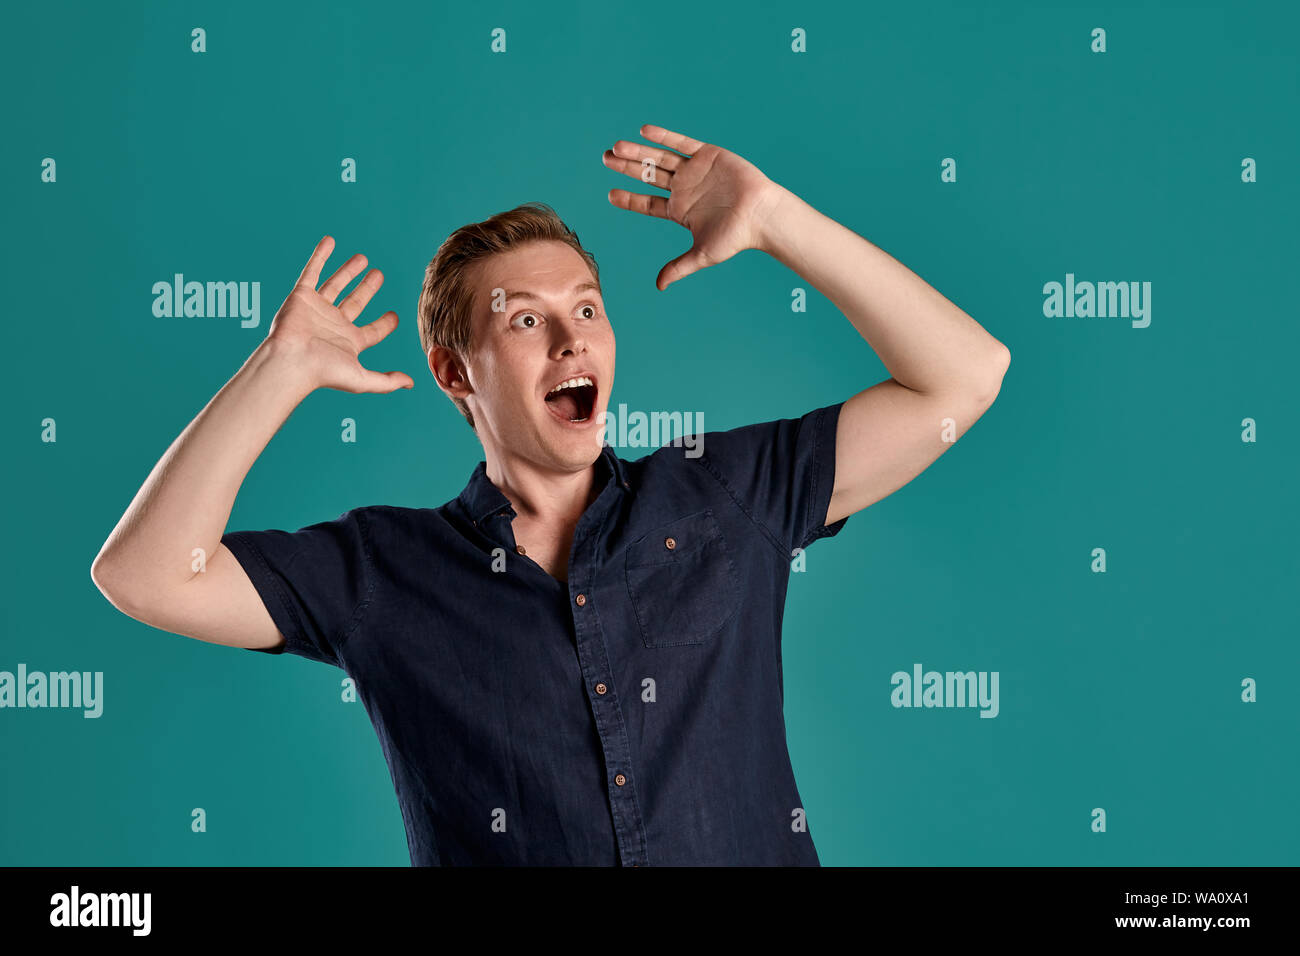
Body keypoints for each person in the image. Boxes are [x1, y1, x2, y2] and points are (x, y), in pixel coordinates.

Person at [91, 124, 1010, 866]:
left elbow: (964, 377)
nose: (572, 339)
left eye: (587, 308)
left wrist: (774, 220)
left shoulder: (725, 494)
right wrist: (280, 367)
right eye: (526, 320)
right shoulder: (385, 572)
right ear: (458, 374)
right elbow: (147, 575)